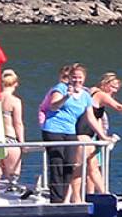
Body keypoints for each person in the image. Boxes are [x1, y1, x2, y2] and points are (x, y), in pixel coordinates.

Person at [41, 63, 109, 203]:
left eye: (80, 78)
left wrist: (103, 136)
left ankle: (66, 198)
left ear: (84, 79)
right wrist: (66, 96)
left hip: (70, 131)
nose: (77, 80)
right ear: (70, 78)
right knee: (57, 164)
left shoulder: (85, 95)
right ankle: (56, 200)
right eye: (74, 77)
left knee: (70, 165)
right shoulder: (60, 89)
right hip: (53, 129)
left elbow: (91, 118)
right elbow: (53, 106)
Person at [80, 72, 122, 194]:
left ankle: (90, 194)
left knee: (91, 167)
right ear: (105, 84)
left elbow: (97, 117)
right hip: (86, 133)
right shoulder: (100, 94)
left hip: (91, 133)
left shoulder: (92, 91)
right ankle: (99, 194)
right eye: (113, 87)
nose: (114, 91)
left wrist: (102, 135)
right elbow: (118, 107)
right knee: (93, 166)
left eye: (117, 89)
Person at [0, 68, 26, 193]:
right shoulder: (15, 101)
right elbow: (18, 123)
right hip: (10, 139)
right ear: (15, 83)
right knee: (13, 175)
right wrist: (22, 143)